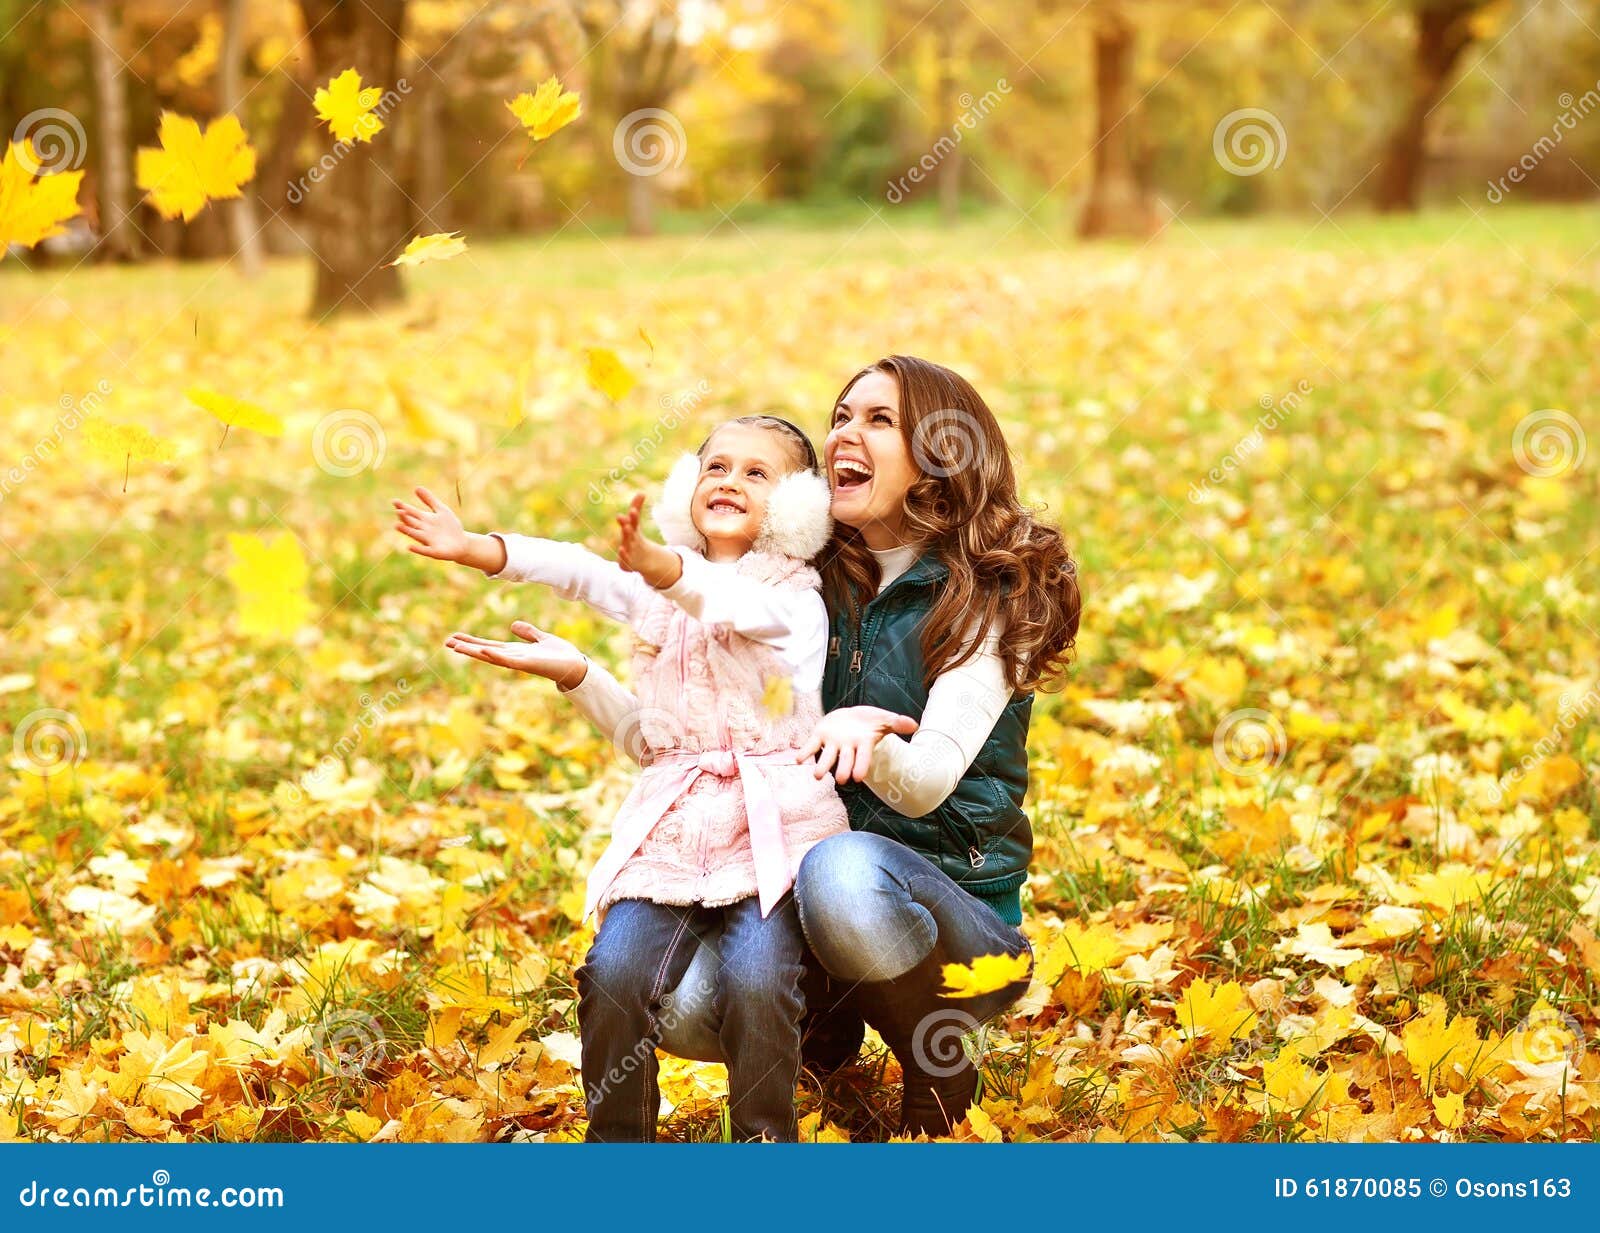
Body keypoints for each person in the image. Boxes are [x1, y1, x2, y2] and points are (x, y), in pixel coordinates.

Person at [457, 357, 1082, 1137]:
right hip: (794, 891)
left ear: (941, 455)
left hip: (950, 920)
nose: (846, 433)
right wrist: (580, 671)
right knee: (683, 1000)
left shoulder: (982, 594)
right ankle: (827, 1030)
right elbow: (680, 736)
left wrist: (862, 732)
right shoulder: (808, 578)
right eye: (842, 416)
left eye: (879, 420)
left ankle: (936, 1045)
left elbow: (923, 785)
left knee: (840, 872)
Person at [390, 414, 849, 1142]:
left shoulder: (796, 597)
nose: (729, 480)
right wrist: (479, 549)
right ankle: (618, 1144)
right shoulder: (657, 584)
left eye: (756, 472)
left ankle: (766, 1142)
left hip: (776, 833)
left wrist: (660, 568)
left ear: (796, 505)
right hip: (672, 830)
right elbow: (582, 571)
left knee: (760, 982)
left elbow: (733, 607)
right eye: (716, 466)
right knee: (613, 971)